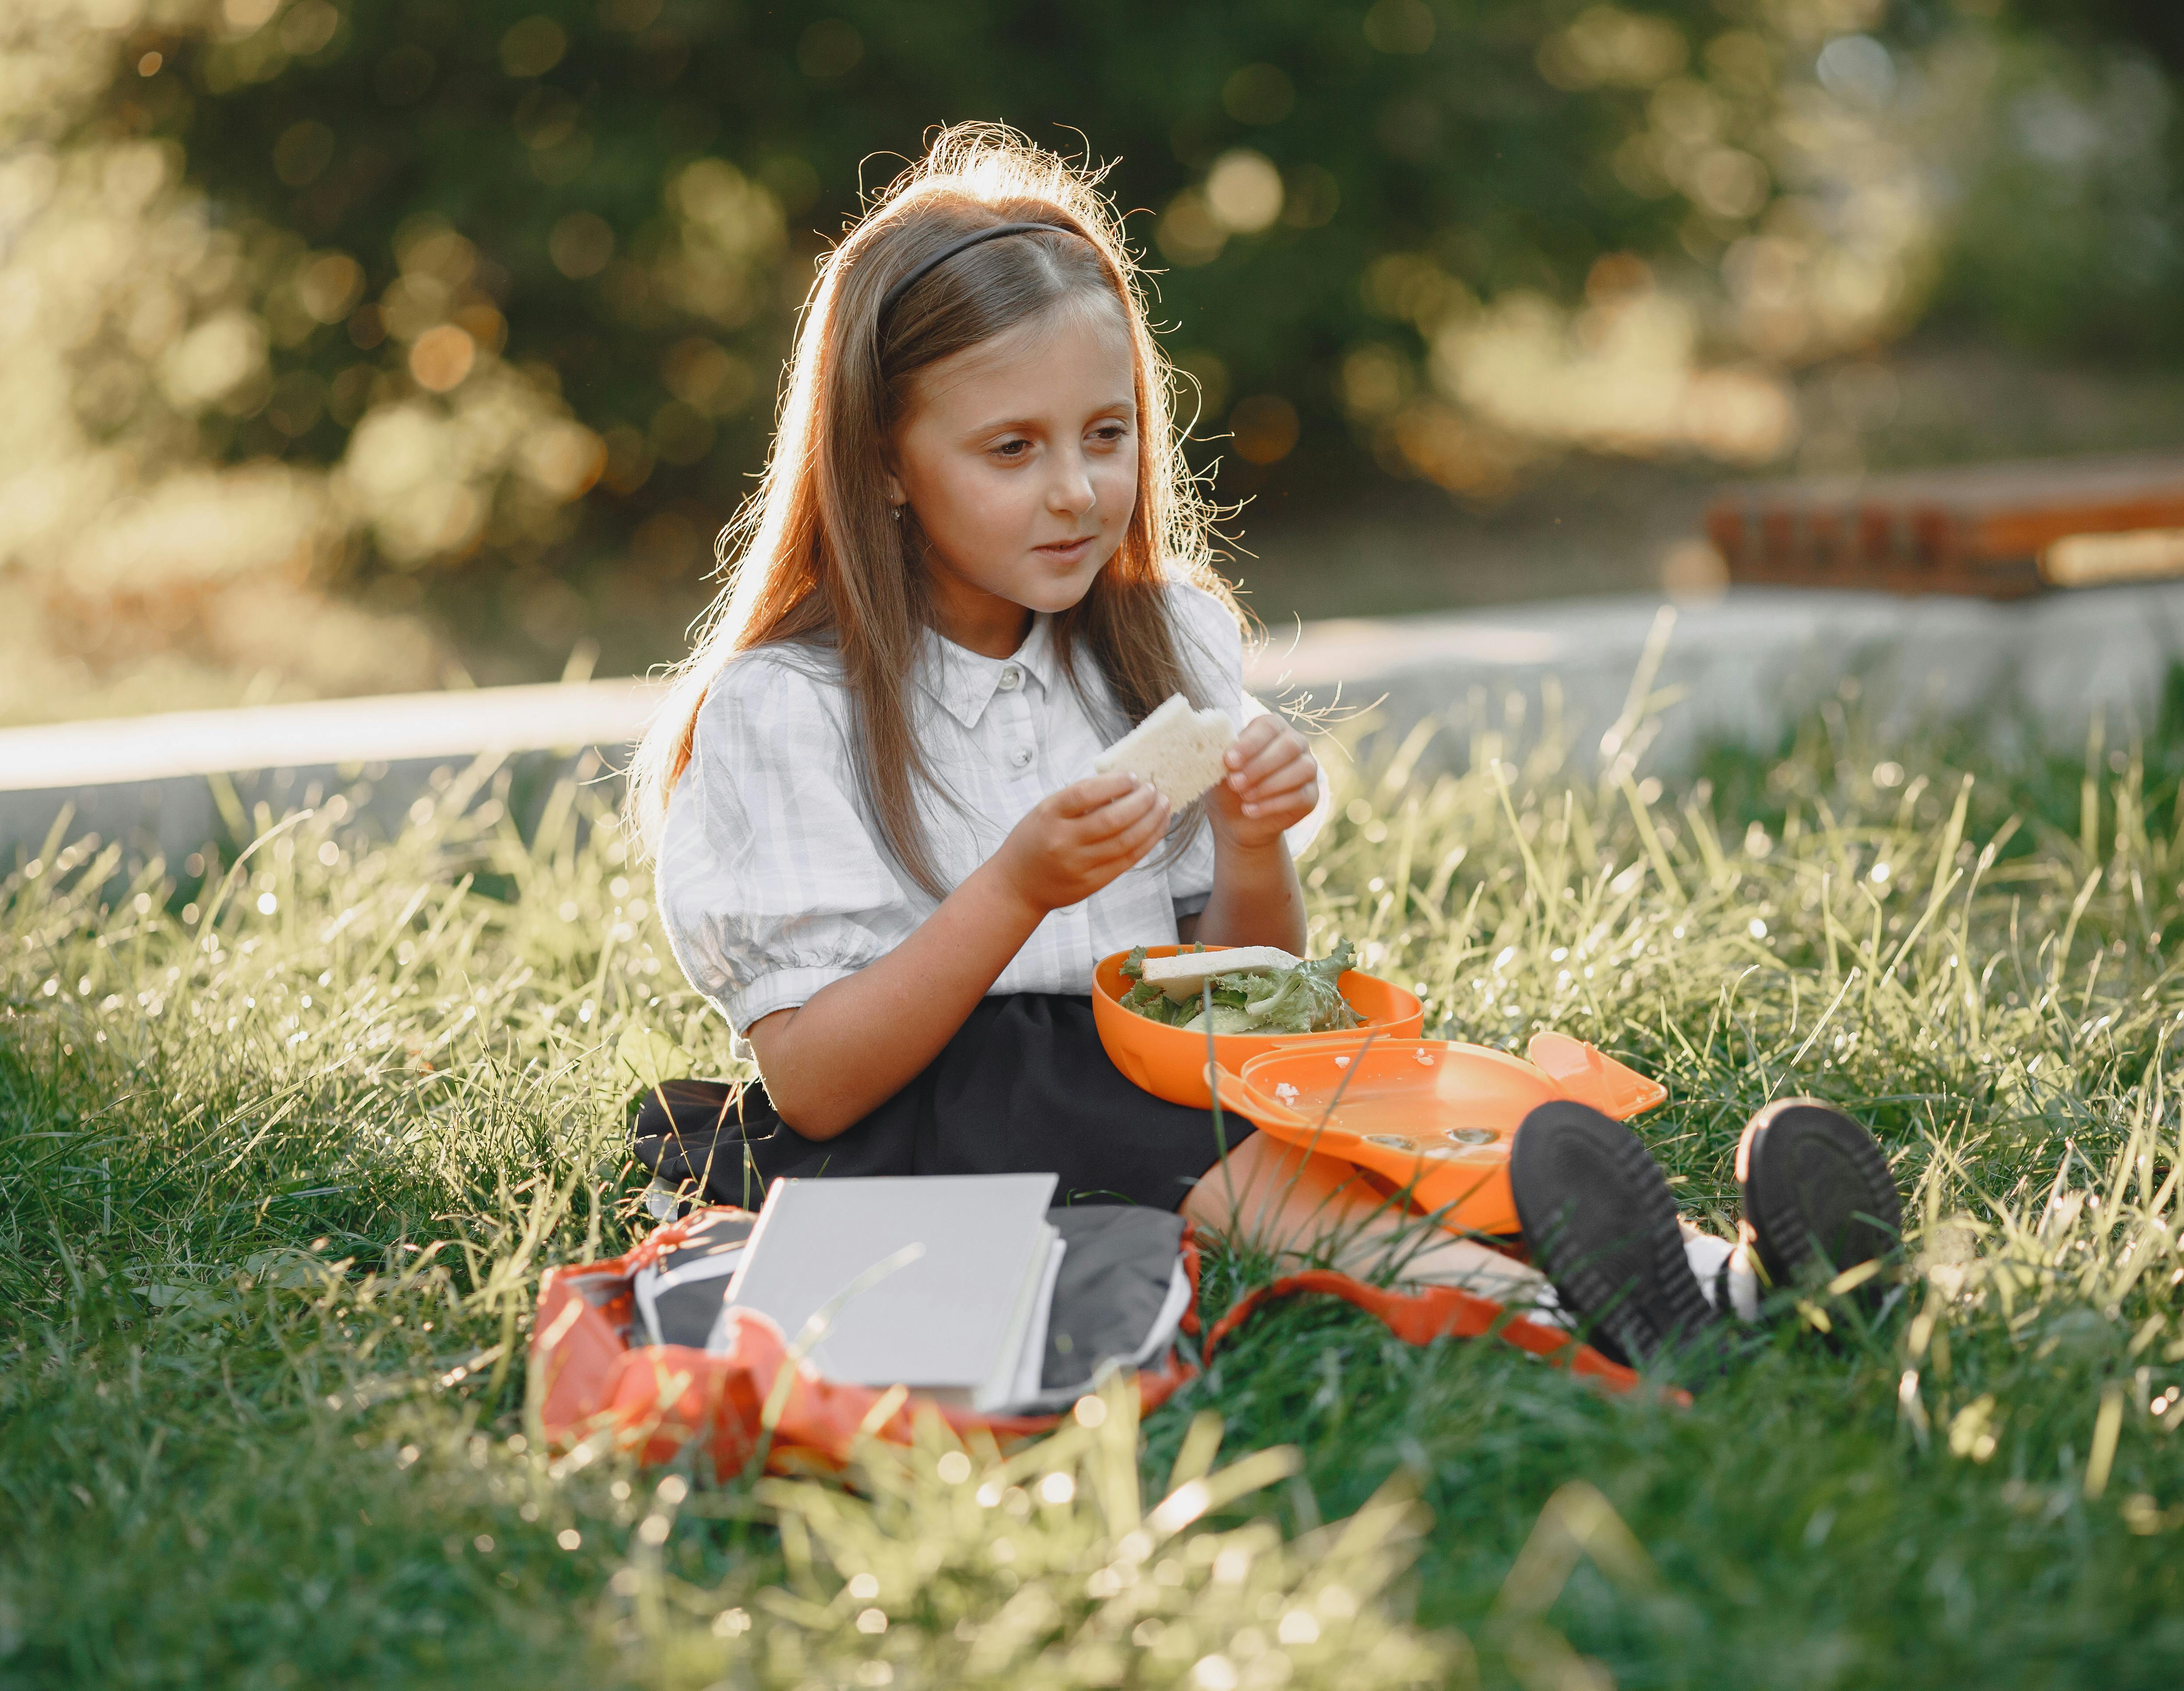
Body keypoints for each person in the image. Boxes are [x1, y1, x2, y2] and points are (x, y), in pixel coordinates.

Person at [623, 126, 1900, 1371]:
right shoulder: (794, 710)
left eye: (1107, 434)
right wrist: (1016, 889)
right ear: (884, 463)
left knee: (1331, 1101)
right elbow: (818, 1088)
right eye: (1012, 449)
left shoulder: (1155, 638)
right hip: (944, 1112)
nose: (1075, 489)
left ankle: (1728, 1276)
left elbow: (1244, 991)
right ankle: (1557, 1307)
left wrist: (1250, 841)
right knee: (1140, 1108)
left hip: (1171, 1075)